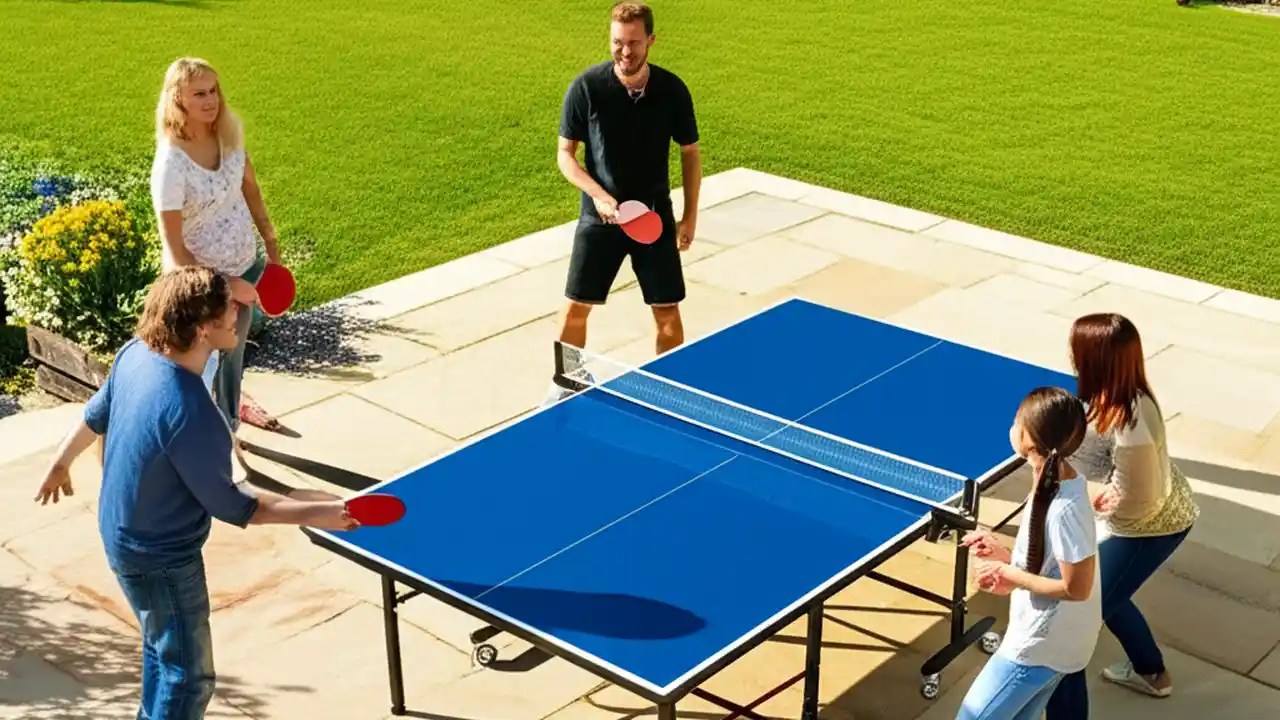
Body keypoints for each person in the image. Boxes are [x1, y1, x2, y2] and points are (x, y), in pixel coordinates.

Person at [33, 266, 356, 720]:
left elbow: (94, 414)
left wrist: (60, 462)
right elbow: (236, 505)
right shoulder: (189, 408)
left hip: (121, 531)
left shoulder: (137, 354)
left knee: (161, 650)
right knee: (187, 677)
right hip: (160, 557)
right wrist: (314, 513)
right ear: (204, 328)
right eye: (229, 308)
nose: (237, 312)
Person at [1044, 313, 1200, 718]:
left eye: (1076, 348)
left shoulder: (1132, 425)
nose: (1071, 355)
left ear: (1094, 358)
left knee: (1068, 626)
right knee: (1107, 593)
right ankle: (1151, 672)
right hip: (1133, 522)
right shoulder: (1108, 393)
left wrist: (1076, 490)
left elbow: (1137, 502)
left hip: (1146, 530)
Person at [549, 1, 701, 401]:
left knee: (667, 312)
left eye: (634, 42)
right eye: (618, 42)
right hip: (600, 218)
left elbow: (690, 153)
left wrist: (689, 217)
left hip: (653, 217)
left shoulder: (672, 90)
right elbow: (565, 155)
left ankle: (670, 390)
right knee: (576, 306)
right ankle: (567, 383)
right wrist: (599, 196)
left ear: (651, 40)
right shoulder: (586, 87)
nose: (625, 51)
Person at [150, 56, 282, 444]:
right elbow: (174, 248)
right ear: (178, 99)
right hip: (199, 287)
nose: (211, 100)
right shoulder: (171, 164)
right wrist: (226, 286)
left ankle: (227, 429)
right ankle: (201, 439)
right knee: (199, 366)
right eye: (199, 94)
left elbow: (251, 191)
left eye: (214, 91)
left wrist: (270, 244)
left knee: (231, 357)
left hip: (245, 266)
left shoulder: (228, 137)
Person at [956, 387, 1100, 720]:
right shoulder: (1050, 479)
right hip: (1053, 643)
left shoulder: (1066, 508)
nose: (1011, 427)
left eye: (1016, 422)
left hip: (1040, 647)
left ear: (1031, 439)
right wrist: (1006, 556)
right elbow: (1049, 562)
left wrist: (1009, 574)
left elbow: (1077, 588)